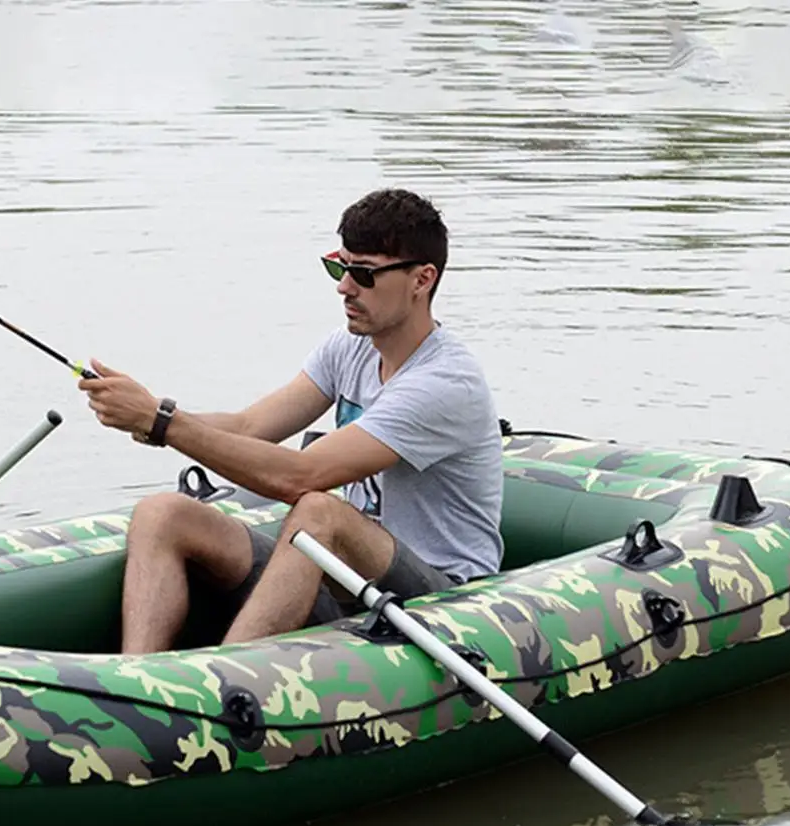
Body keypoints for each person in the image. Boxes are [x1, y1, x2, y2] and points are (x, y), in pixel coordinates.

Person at [79, 188, 503, 654]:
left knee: (318, 510)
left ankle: (217, 684)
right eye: (338, 267)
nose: (344, 287)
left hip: (442, 598)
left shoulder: (445, 383)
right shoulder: (349, 348)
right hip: (346, 576)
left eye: (363, 274)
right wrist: (150, 411)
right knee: (162, 514)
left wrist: (165, 424)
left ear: (422, 280)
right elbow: (247, 428)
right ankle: (136, 678)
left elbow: (300, 477)